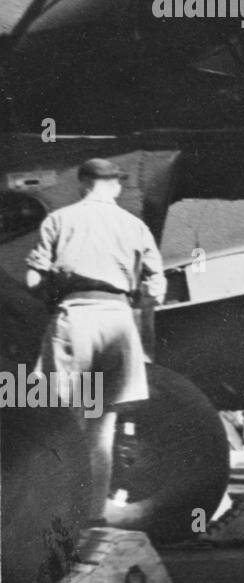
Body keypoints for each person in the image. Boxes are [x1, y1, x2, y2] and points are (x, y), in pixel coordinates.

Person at [25, 158, 167, 519]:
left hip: (75, 318)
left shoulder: (59, 220)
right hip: (117, 322)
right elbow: (155, 287)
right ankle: (92, 515)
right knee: (103, 426)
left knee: (65, 419)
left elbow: (32, 280)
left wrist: (53, 297)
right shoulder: (134, 226)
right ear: (115, 186)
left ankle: (59, 511)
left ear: (82, 184)